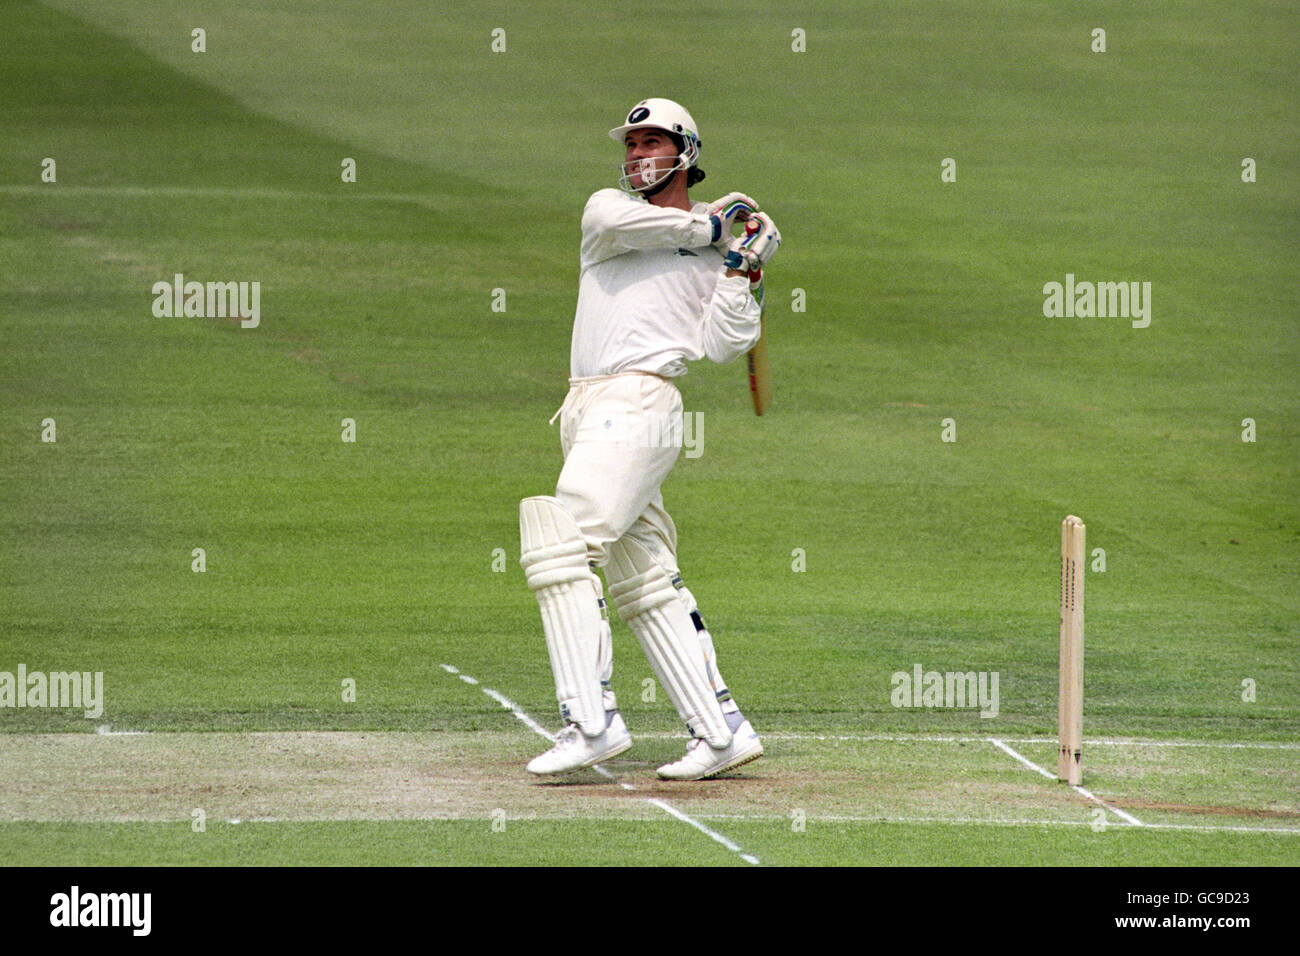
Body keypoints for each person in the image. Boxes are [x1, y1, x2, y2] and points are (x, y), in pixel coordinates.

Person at [518, 98, 781, 780]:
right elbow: (624, 222)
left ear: (685, 152)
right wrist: (714, 228)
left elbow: (725, 347)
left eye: (652, 143)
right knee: (645, 576)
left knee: (564, 543)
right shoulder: (610, 216)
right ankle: (721, 730)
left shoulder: (711, 251)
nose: (638, 156)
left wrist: (741, 271)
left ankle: (591, 721)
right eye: (632, 146)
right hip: (587, 408)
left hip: (639, 402)